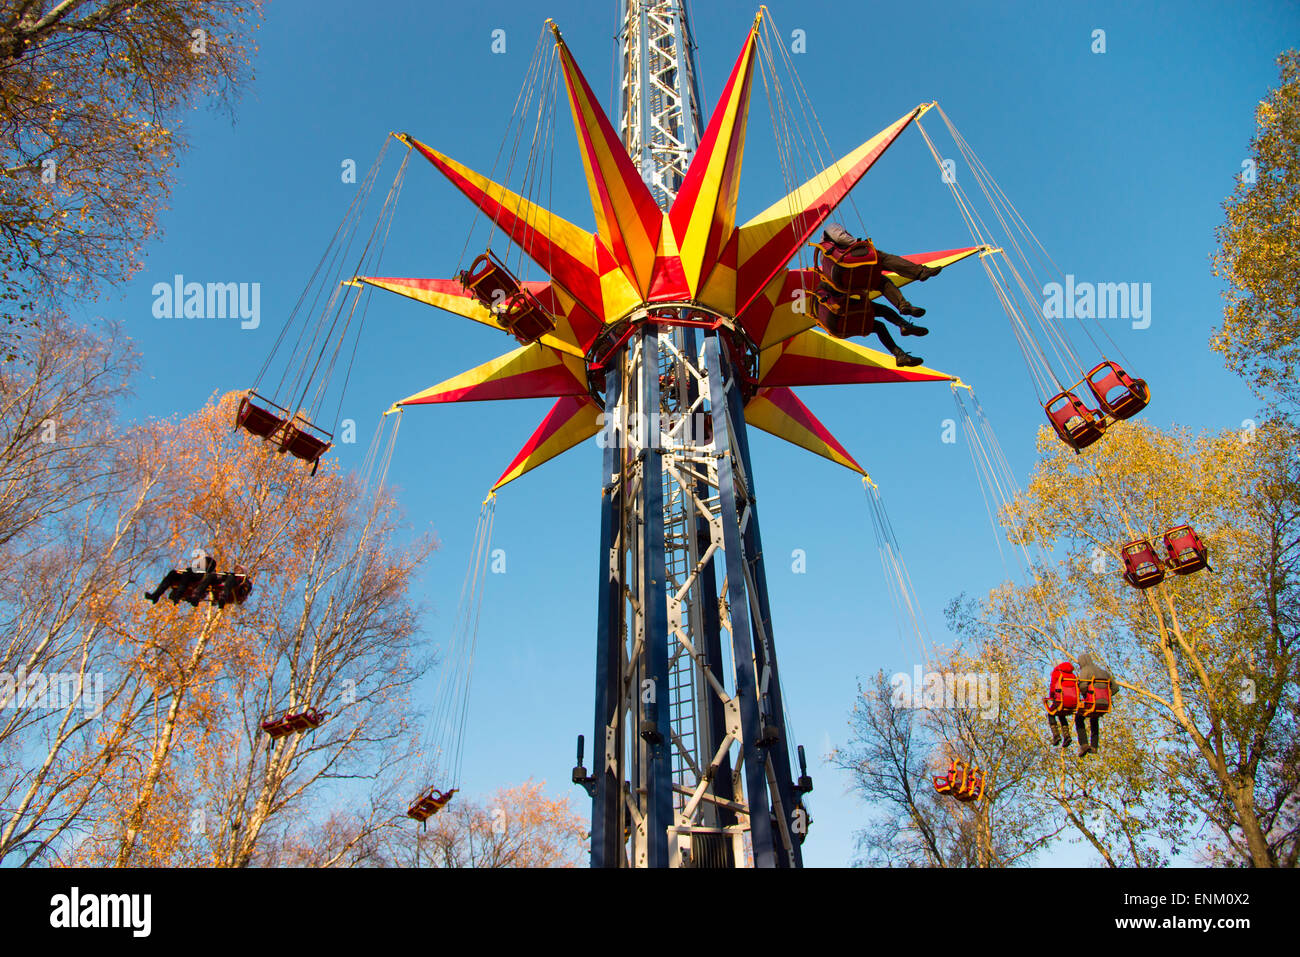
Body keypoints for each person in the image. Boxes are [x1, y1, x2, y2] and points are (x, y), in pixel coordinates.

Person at [1074, 652, 1118, 757]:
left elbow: (1083, 687)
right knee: (1094, 718)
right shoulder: (1104, 672)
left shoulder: (1085, 671)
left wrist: (1085, 694)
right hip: (1105, 704)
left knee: (1079, 718)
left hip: (1092, 702)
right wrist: (1106, 694)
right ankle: (1094, 746)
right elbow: (1115, 688)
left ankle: (1084, 744)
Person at [1045, 661, 1077, 747]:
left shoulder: (1056, 673)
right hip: (1073, 702)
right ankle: (1067, 735)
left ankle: (1056, 735)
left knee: (1051, 713)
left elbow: (1052, 689)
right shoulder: (1073, 675)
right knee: (1061, 714)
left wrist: (1052, 697)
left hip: (1061, 700)